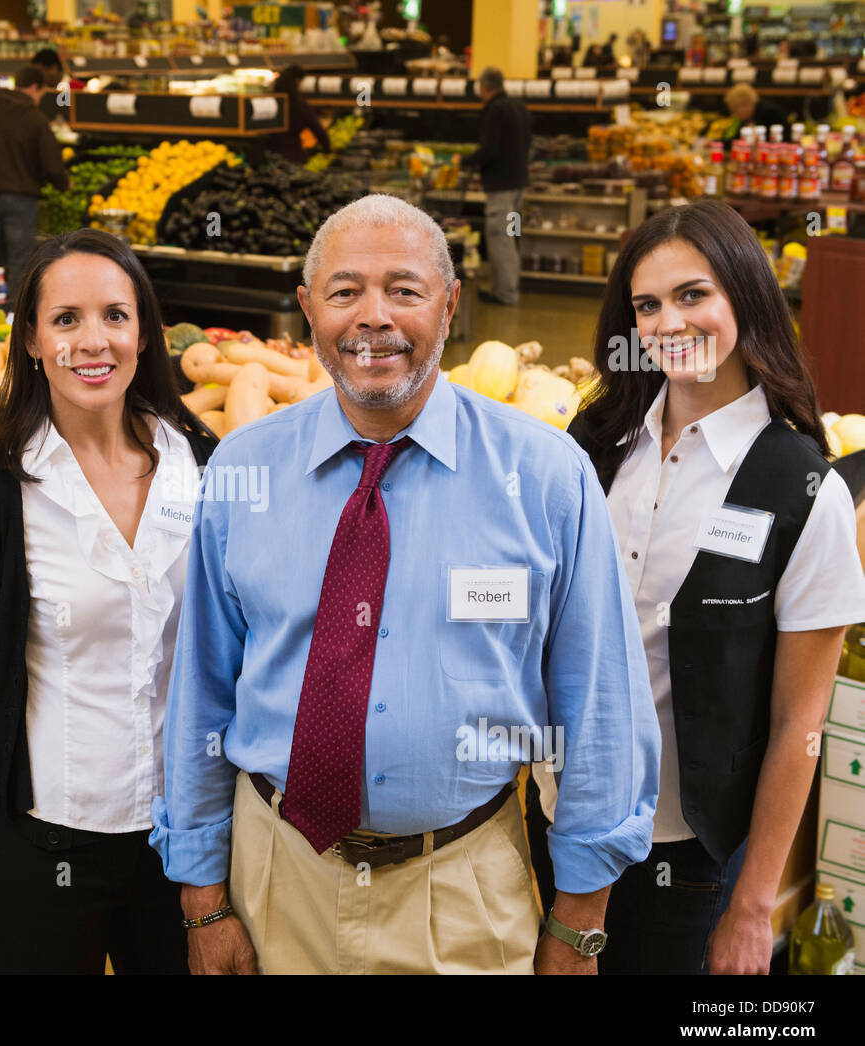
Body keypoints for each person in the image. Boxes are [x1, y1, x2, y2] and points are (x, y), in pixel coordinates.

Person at [150, 194, 660, 975]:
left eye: (405, 289)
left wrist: (579, 922)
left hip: (464, 891)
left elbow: (601, 708)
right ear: (307, 310)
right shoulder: (243, 470)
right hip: (275, 876)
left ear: (450, 304)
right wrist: (203, 898)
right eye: (345, 290)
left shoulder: (547, 477)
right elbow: (200, 697)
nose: (373, 317)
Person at [529, 200, 865, 974]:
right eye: (647, 304)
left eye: (692, 295)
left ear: (745, 295)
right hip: (553, 816)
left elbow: (797, 726)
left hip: (681, 854)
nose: (667, 321)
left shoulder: (803, 489)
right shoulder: (597, 442)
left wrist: (752, 905)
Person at [0, 229, 218, 975]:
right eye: (66, 319)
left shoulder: (203, 465)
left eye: (115, 316)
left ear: (144, 331)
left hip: (184, 846)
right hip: (40, 845)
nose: (93, 341)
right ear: (30, 339)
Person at [0, 64, 69, 304]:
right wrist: (63, 184)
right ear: (35, 88)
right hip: (22, 200)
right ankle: (14, 318)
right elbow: (52, 164)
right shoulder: (34, 118)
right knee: (20, 262)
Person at [461, 67, 531, 306]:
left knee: (501, 238)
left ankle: (505, 294)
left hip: (501, 187)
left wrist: (465, 160)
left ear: (484, 87)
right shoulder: (519, 107)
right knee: (512, 237)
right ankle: (510, 288)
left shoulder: (494, 110)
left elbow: (490, 149)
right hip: (519, 186)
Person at [267, 64, 330, 165]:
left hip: (270, 156)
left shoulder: (270, 100)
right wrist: (327, 149)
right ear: (297, 81)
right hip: (293, 156)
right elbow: (317, 129)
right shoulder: (299, 105)